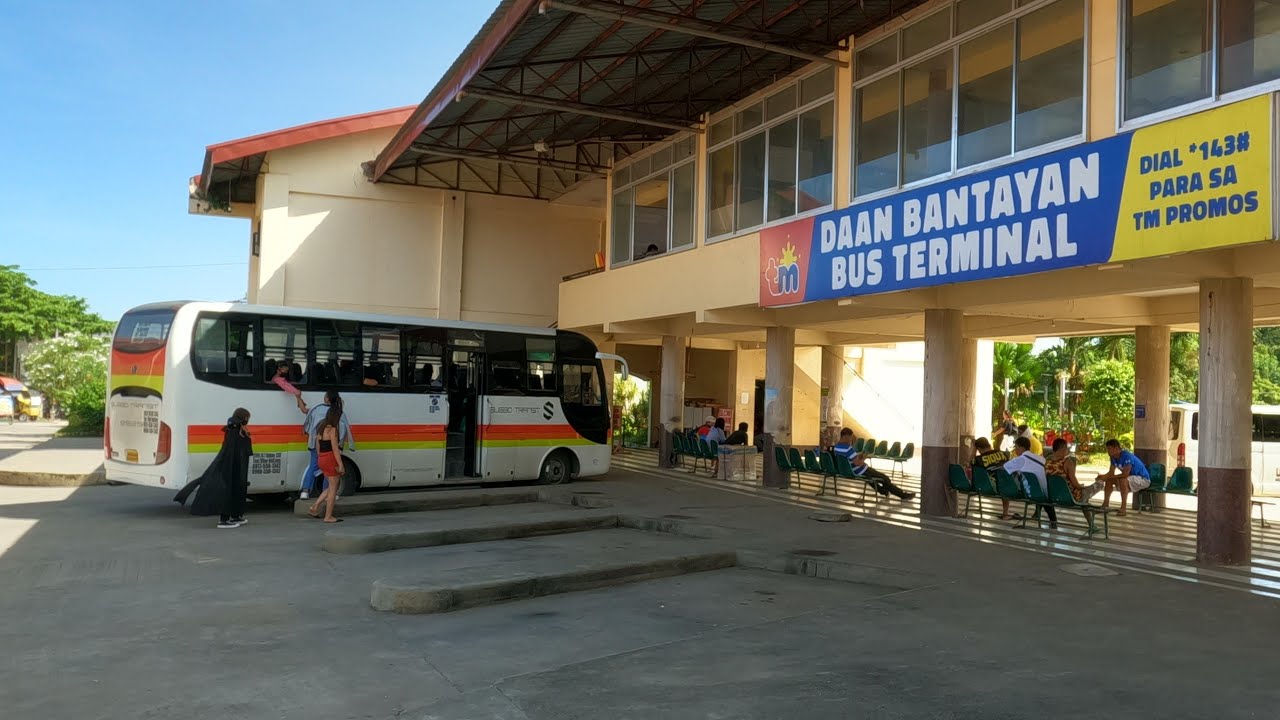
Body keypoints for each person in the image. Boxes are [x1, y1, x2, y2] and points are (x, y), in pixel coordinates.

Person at [174, 408, 253, 528]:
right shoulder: (233, 430)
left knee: (237, 491)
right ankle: (224, 520)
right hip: (229, 467)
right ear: (243, 418)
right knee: (228, 492)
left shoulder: (238, 429)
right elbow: (233, 449)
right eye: (247, 418)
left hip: (236, 467)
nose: (248, 421)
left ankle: (235, 516)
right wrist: (241, 429)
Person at [299, 391, 355, 500]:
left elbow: (306, 416)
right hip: (330, 447)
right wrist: (340, 445)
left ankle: (305, 492)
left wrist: (298, 398)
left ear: (327, 399)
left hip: (316, 444)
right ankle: (327, 493)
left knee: (313, 466)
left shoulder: (317, 409)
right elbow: (343, 430)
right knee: (329, 470)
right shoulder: (339, 412)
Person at [832, 428, 915, 501]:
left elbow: (847, 459)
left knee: (873, 479)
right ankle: (902, 495)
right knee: (885, 479)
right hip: (861, 470)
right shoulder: (848, 449)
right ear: (846, 437)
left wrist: (857, 456)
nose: (851, 440)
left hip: (848, 470)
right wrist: (864, 457)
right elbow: (858, 463)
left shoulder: (836, 447)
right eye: (850, 438)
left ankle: (883, 491)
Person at [307, 403, 347, 523]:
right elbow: (335, 448)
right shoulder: (332, 429)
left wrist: (321, 457)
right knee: (333, 488)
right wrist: (340, 464)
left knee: (331, 485)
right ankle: (328, 516)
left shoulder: (321, 427)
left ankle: (314, 507)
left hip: (322, 458)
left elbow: (318, 445)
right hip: (330, 458)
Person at [1004, 435, 1055, 528]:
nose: (1015, 450)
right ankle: (1052, 521)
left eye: (1016, 447)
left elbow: (1005, 468)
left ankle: (1007, 513)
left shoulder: (1021, 459)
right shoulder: (1041, 459)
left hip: (1028, 493)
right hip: (1045, 492)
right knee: (1041, 494)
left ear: (1021, 447)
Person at [1097, 438, 1150, 516]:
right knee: (1110, 480)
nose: (1108, 451)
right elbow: (1111, 473)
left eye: (1109, 449)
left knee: (1122, 480)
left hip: (1143, 479)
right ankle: (1105, 504)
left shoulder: (1126, 456)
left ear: (1116, 448)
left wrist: (1109, 477)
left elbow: (1125, 474)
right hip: (1131, 478)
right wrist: (1103, 477)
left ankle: (1123, 508)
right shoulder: (1112, 457)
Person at [972, 437, 1013, 520]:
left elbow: (970, 464)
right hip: (1008, 486)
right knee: (1002, 479)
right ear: (989, 445)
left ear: (978, 448)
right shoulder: (1004, 454)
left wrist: (974, 451)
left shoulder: (978, 459)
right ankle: (1005, 513)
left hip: (988, 487)